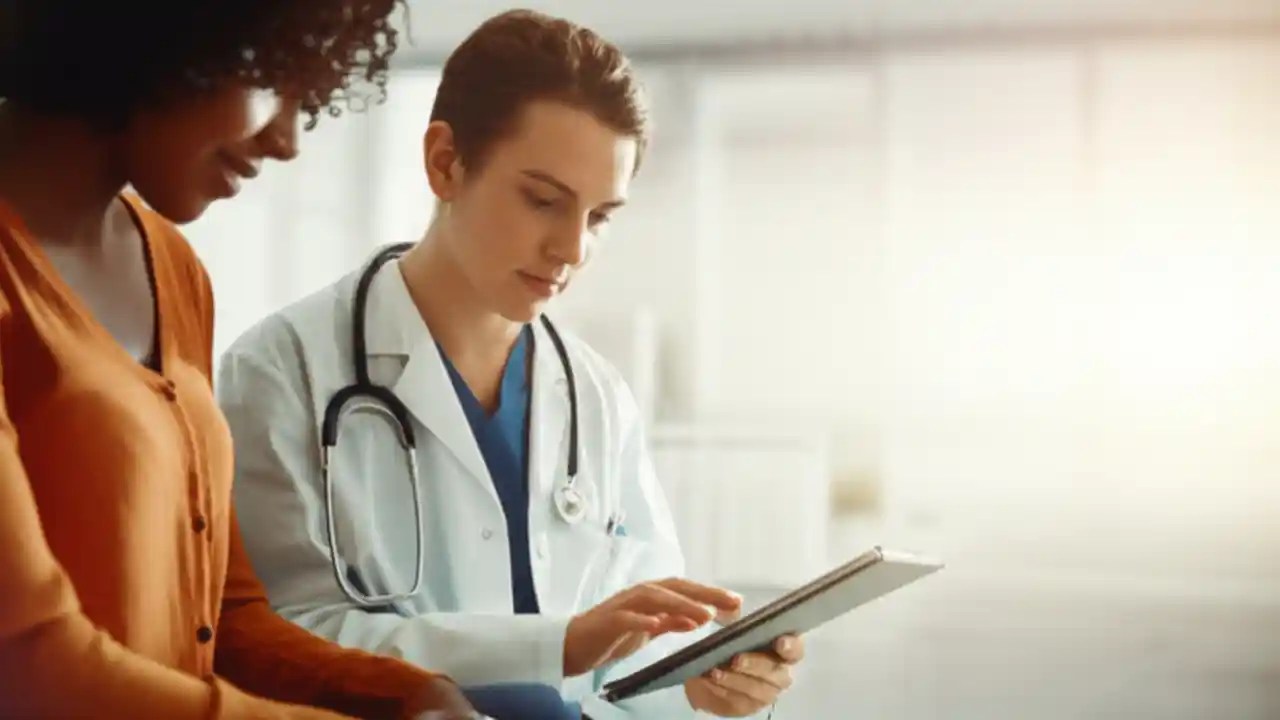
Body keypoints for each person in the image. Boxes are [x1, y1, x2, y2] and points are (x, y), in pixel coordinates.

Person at [217, 10, 806, 719]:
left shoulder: (596, 396)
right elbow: (283, 642)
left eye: (600, 216)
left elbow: (636, 643)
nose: (573, 248)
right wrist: (557, 645)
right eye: (544, 200)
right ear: (445, 162)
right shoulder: (283, 374)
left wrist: (703, 682)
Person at [0, 2, 566, 718]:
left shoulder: (172, 269)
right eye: (272, 77)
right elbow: (32, 666)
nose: (289, 139)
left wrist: (407, 694)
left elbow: (227, 619)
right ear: (160, 35)